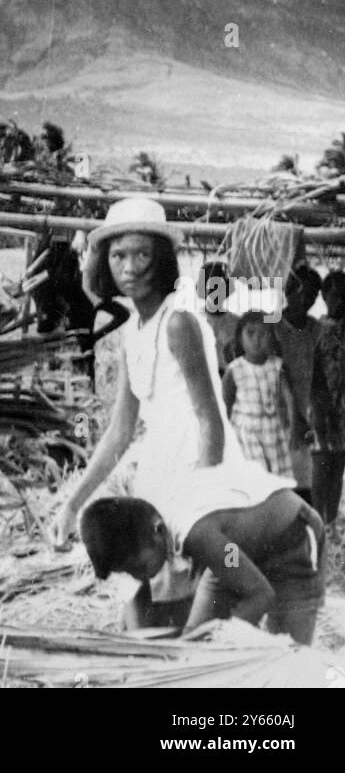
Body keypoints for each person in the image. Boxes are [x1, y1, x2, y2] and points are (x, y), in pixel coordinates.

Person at [52, 198, 244, 545]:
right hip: (160, 467)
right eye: (118, 255)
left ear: (162, 260)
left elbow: (208, 419)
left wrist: (202, 503)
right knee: (148, 587)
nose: (130, 268)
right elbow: (120, 431)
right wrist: (73, 504)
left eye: (142, 255)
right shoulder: (134, 330)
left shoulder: (177, 322)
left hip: (198, 470)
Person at [80, 474, 325, 645]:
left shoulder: (198, 535)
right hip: (233, 555)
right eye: (130, 573)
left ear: (159, 531)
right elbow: (229, 557)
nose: (140, 577)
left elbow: (260, 595)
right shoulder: (148, 518)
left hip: (292, 542)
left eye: (139, 567)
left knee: (282, 660)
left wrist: (224, 641)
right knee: (194, 649)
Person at [222, 312, 294, 477]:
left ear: (272, 337)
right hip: (246, 432)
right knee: (255, 476)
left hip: (272, 430)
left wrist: (294, 427)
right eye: (250, 333)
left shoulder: (277, 366)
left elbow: (289, 399)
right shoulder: (235, 369)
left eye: (263, 334)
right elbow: (225, 404)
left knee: (277, 478)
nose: (256, 340)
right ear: (240, 338)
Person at [277, 263, 322, 504]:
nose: (310, 300)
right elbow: (278, 371)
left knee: (303, 490)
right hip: (277, 415)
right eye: (306, 292)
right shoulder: (274, 324)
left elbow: (318, 374)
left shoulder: (315, 328)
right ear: (290, 291)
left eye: (314, 295)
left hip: (301, 416)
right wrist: (296, 418)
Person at [311, 270, 345, 526]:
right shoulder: (318, 328)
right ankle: (318, 521)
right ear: (324, 296)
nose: (340, 301)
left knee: (338, 462)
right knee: (321, 460)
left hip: (343, 406)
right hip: (322, 403)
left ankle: (331, 521)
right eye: (334, 295)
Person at [197, 259, 238, 375]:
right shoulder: (193, 320)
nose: (215, 292)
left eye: (221, 287)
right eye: (212, 287)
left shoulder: (236, 323)